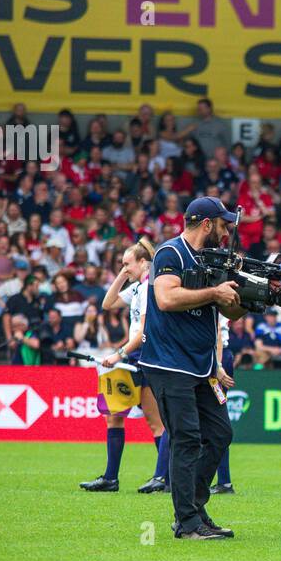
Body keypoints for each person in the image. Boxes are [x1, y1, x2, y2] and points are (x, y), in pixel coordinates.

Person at [140, 197, 246, 540]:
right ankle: (187, 523)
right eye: (224, 224)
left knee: (220, 434)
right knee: (185, 440)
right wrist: (215, 291)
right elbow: (166, 299)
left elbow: (231, 313)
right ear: (206, 224)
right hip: (168, 364)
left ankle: (195, 509)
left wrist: (248, 291)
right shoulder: (169, 253)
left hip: (200, 366)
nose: (228, 230)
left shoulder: (212, 259)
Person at [80, 239, 170, 494]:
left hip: (144, 357)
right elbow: (107, 304)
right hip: (131, 358)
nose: (124, 268)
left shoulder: (150, 289)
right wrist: (123, 273)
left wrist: (118, 354)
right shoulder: (136, 288)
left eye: (128, 263)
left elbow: (143, 331)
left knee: (156, 423)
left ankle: (165, 477)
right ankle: (111, 478)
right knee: (113, 416)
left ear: (144, 263)